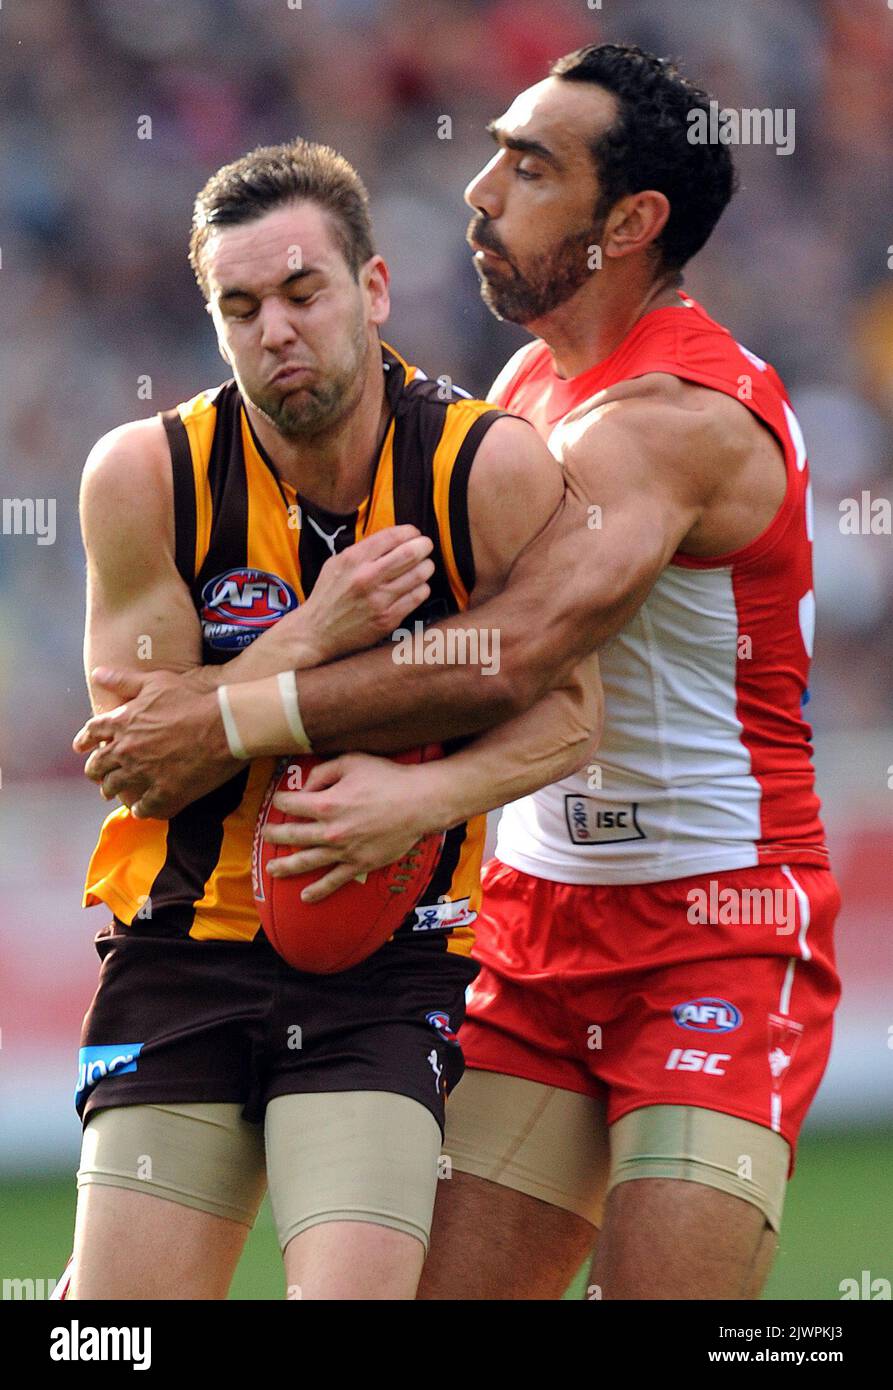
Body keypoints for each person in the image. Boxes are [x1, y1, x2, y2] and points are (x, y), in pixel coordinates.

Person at [76, 45, 841, 1301]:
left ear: (629, 224)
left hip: (718, 922)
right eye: (492, 149)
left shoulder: (669, 422)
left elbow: (508, 659)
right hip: (531, 925)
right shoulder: (525, 390)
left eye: (528, 166)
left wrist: (230, 716)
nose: (479, 190)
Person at [63, 136, 601, 1301]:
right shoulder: (143, 477)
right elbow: (141, 762)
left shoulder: (485, 469)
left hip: (386, 966)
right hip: (179, 946)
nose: (276, 331)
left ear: (371, 288)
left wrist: (420, 795)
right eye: (240, 305)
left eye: (303, 293)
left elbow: (569, 716)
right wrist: (309, 634)